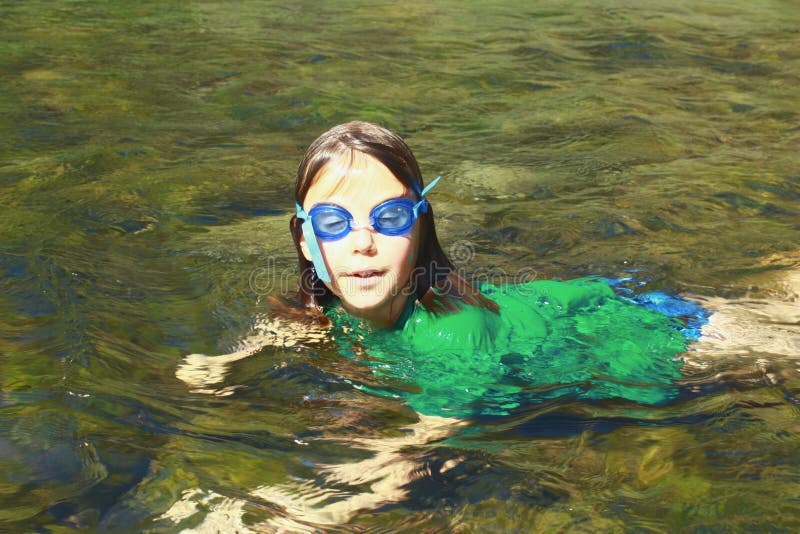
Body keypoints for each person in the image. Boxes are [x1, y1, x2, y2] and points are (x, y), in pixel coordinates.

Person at [169, 121, 708, 530]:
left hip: (612, 328)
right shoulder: (327, 305)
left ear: (421, 229)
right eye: (334, 222)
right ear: (307, 241)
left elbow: (421, 442)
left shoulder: (452, 328)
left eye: (390, 218)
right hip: (540, 304)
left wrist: (304, 509)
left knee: (755, 351)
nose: (362, 241)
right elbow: (289, 326)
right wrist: (233, 360)